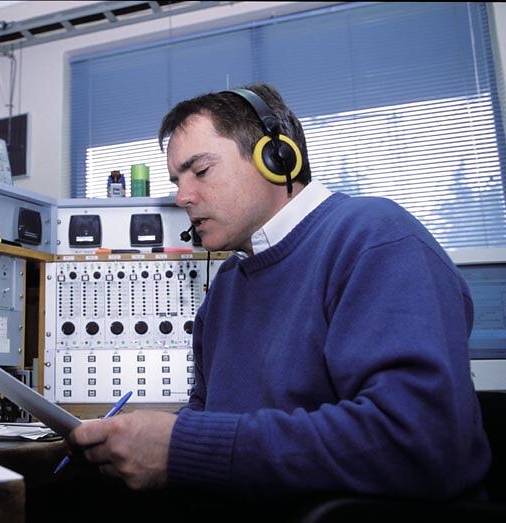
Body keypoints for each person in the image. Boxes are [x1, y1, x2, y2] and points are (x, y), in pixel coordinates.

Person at [67, 84, 491, 506]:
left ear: (276, 158)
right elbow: (207, 414)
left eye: (200, 171)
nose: (182, 196)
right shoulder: (228, 285)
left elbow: (417, 441)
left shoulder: (376, 238)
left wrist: (182, 447)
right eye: (177, 180)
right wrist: (141, 439)